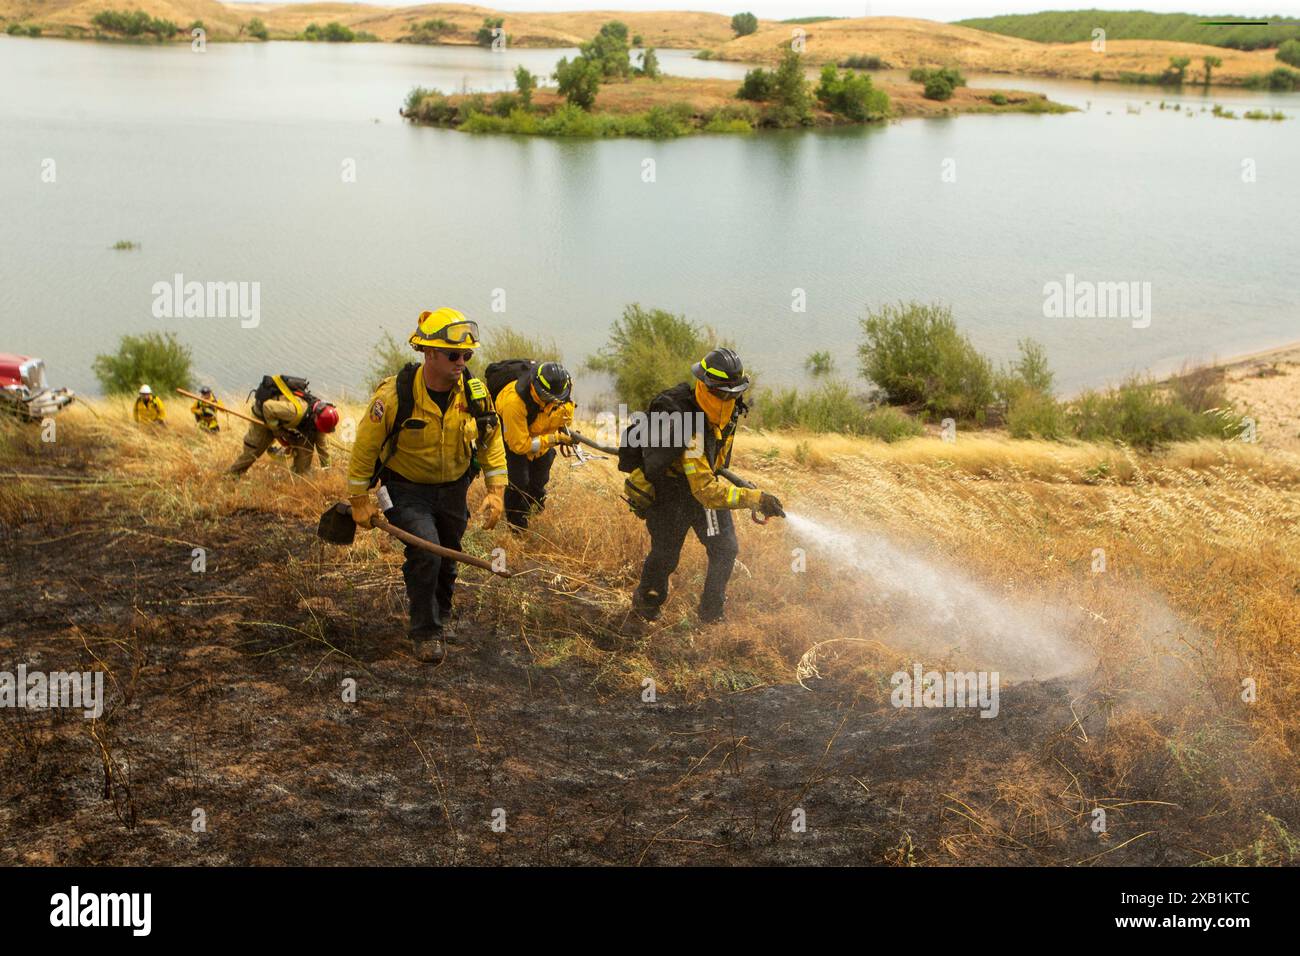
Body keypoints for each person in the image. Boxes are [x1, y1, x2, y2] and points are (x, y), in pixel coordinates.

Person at [346, 308, 508, 664]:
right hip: (404, 491)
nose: (462, 361)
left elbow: (491, 442)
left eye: (467, 355)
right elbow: (365, 449)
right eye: (453, 355)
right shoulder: (394, 396)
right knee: (427, 553)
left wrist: (496, 493)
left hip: (453, 490)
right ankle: (426, 633)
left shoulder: (476, 396)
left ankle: (442, 616)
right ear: (428, 353)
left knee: (448, 557)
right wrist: (359, 498)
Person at [629, 348, 785, 625]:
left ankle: (711, 615)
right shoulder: (689, 428)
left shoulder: (729, 411)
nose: (729, 399)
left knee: (725, 549)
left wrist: (732, 478)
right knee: (665, 556)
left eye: (734, 393)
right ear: (705, 385)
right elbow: (706, 492)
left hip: (704, 487)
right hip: (672, 494)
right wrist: (754, 498)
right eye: (723, 393)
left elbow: (714, 465)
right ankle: (646, 608)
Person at [490, 361, 576, 531]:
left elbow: (564, 417)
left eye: (559, 399)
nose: (556, 402)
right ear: (536, 387)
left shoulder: (560, 395)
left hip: (540, 440)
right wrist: (555, 438)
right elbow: (520, 446)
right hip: (514, 439)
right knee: (519, 483)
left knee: (539, 482)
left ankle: (530, 510)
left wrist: (564, 433)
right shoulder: (513, 403)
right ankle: (516, 527)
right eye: (551, 399)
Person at [227, 375, 338, 476]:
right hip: (265, 417)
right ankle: (231, 476)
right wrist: (276, 430)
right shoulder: (295, 411)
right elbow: (267, 407)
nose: (320, 432)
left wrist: (327, 470)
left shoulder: (320, 419)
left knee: (306, 447)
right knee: (253, 451)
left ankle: (299, 475)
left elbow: (323, 447)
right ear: (315, 419)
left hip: (284, 419)